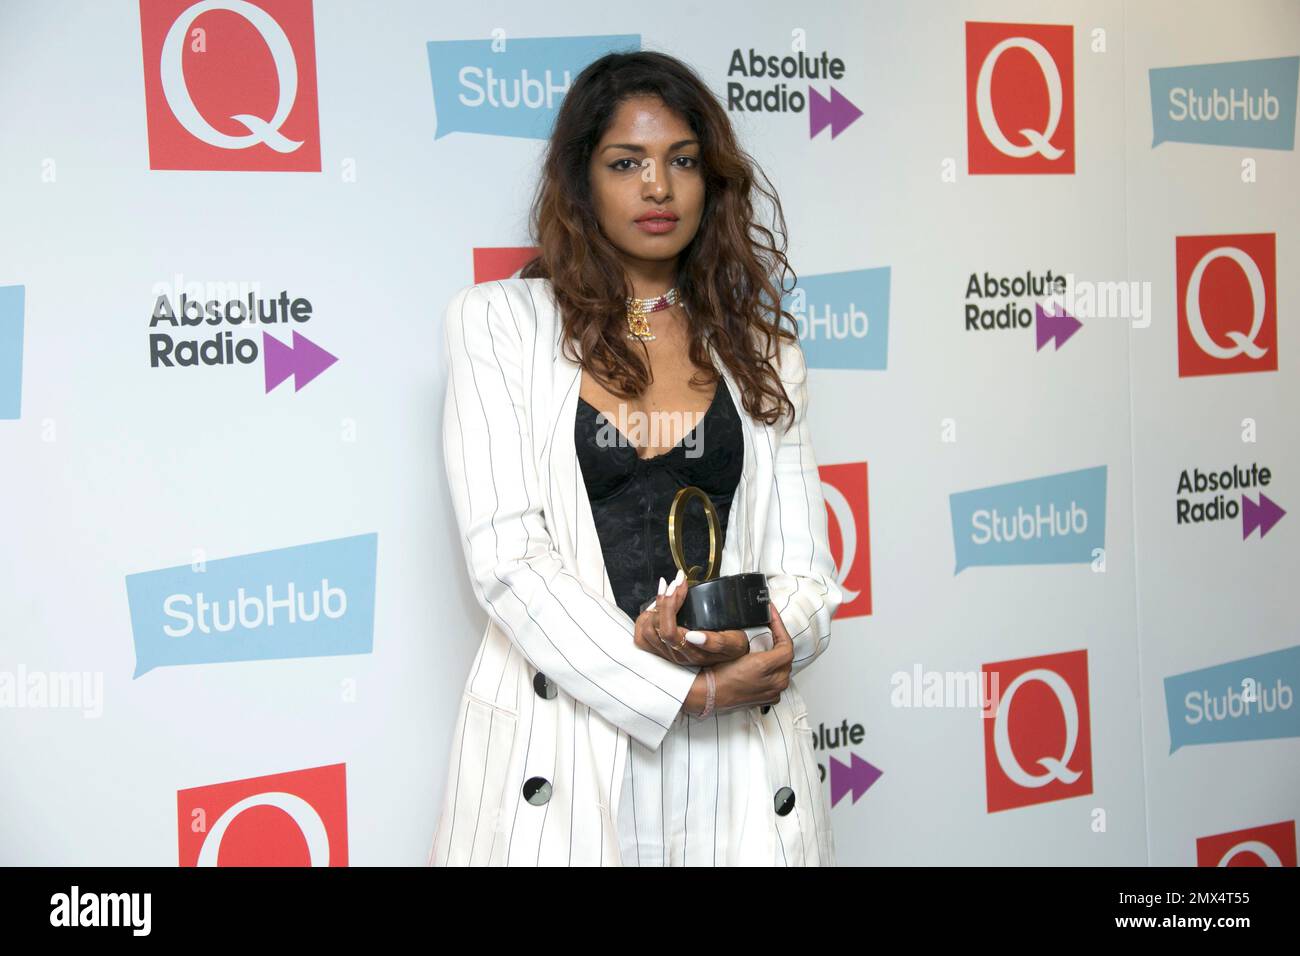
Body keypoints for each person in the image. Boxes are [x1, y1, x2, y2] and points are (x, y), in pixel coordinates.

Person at [428, 50, 842, 866]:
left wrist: (755, 641)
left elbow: (807, 576)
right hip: (568, 740)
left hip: (739, 760)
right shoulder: (499, 325)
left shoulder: (764, 351)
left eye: (682, 161)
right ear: (582, 182)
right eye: (628, 163)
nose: (659, 186)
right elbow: (507, 557)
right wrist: (678, 689)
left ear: (710, 180)